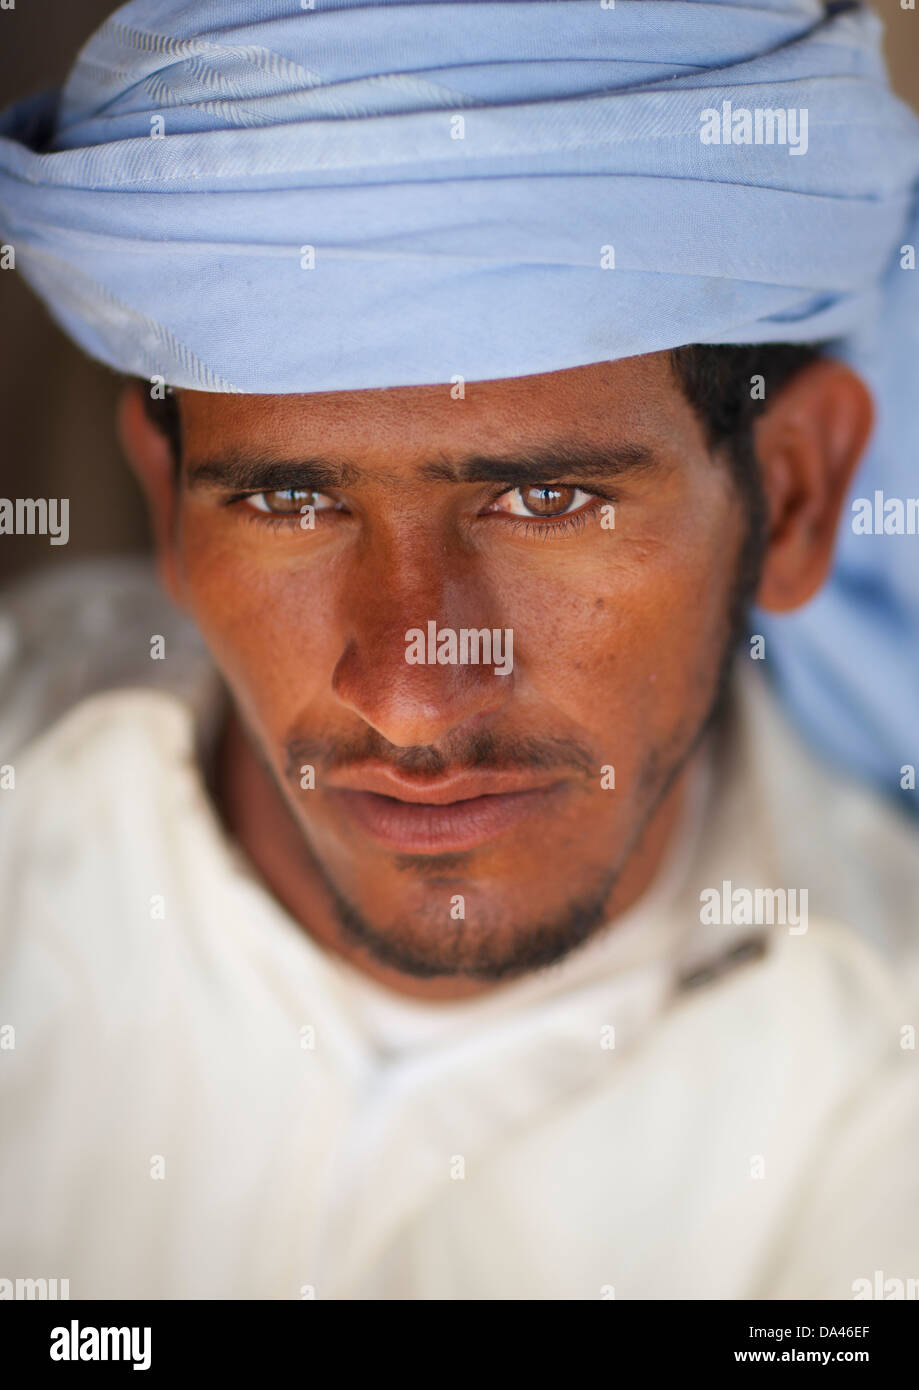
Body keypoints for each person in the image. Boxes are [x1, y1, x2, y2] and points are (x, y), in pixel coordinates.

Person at [0, 0, 917, 1300]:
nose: (414, 698)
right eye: (287, 502)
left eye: (548, 503)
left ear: (799, 491)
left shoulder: (886, 1083)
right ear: (165, 493)